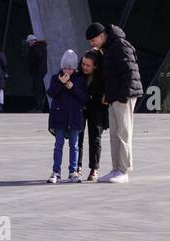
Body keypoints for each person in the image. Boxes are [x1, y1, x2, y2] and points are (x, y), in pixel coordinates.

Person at [86, 23, 142, 183]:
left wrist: (123, 96)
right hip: (114, 96)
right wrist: (108, 95)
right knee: (114, 134)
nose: (92, 43)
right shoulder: (109, 47)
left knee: (123, 133)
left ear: (102, 35)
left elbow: (130, 71)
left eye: (93, 40)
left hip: (123, 96)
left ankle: (123, 171)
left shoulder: (120, 45)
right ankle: (115, 169)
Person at [46, 49, 88, 184]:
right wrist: (60, 83)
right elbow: (51, 93)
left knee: (74, 145)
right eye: (65, 68)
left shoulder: (80, 80)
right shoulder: (55, 78)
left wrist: (72, 87)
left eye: (70, 68)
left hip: (75, 117)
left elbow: (84, 98)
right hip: (59, 118)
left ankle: (73, 171)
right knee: (58, 145)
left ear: (74, 68)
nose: (67, 71)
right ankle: (56, 171)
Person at [76, 49, 107, 182]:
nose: (84, 67)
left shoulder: (102, 78)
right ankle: (77, 167)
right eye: (83, 64)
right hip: (81, 108)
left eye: (88, 65)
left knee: (95, 138)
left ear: (95, 66)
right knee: (78, 137)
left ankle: (94, 169)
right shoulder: (78, 75)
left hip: (97, 108)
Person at [27, 34, 48, 113]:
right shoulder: (41, 46)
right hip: (40, 71)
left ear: (32, 41)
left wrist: (33, 66)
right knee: (38, 88)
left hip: (38, 71)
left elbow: (37, 58)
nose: (29, 44)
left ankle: (37, 107)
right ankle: (38, 107)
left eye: (29, 42)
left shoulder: (36, 47)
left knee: (37, 89)